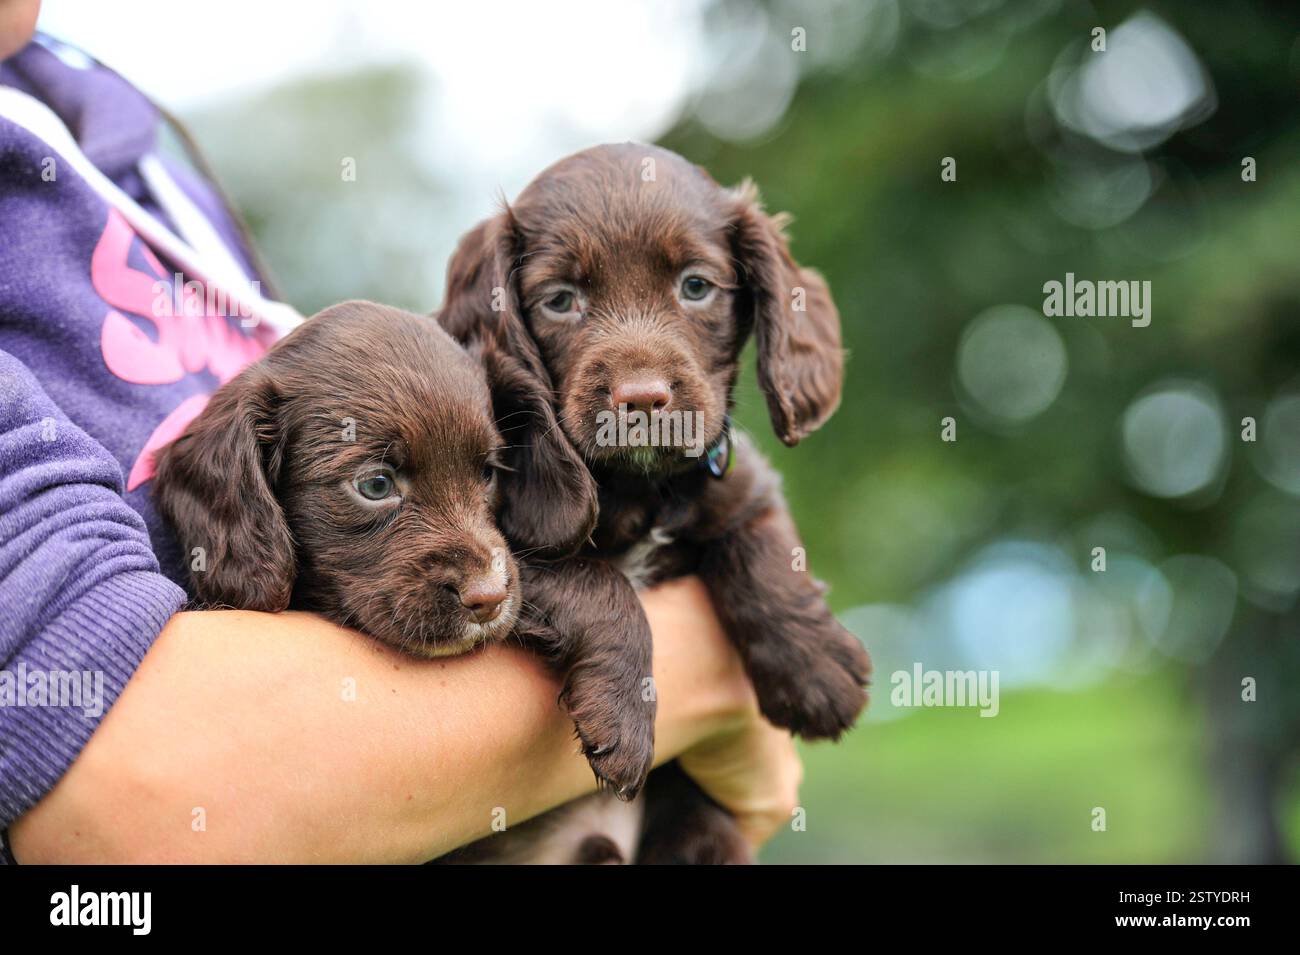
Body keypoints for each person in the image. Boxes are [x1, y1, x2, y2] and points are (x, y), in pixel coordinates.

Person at [0, 4, 801, 863]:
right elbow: (137, 788)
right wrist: (707, 674)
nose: (493, 573)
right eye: (377, 486)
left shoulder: (127, 136)